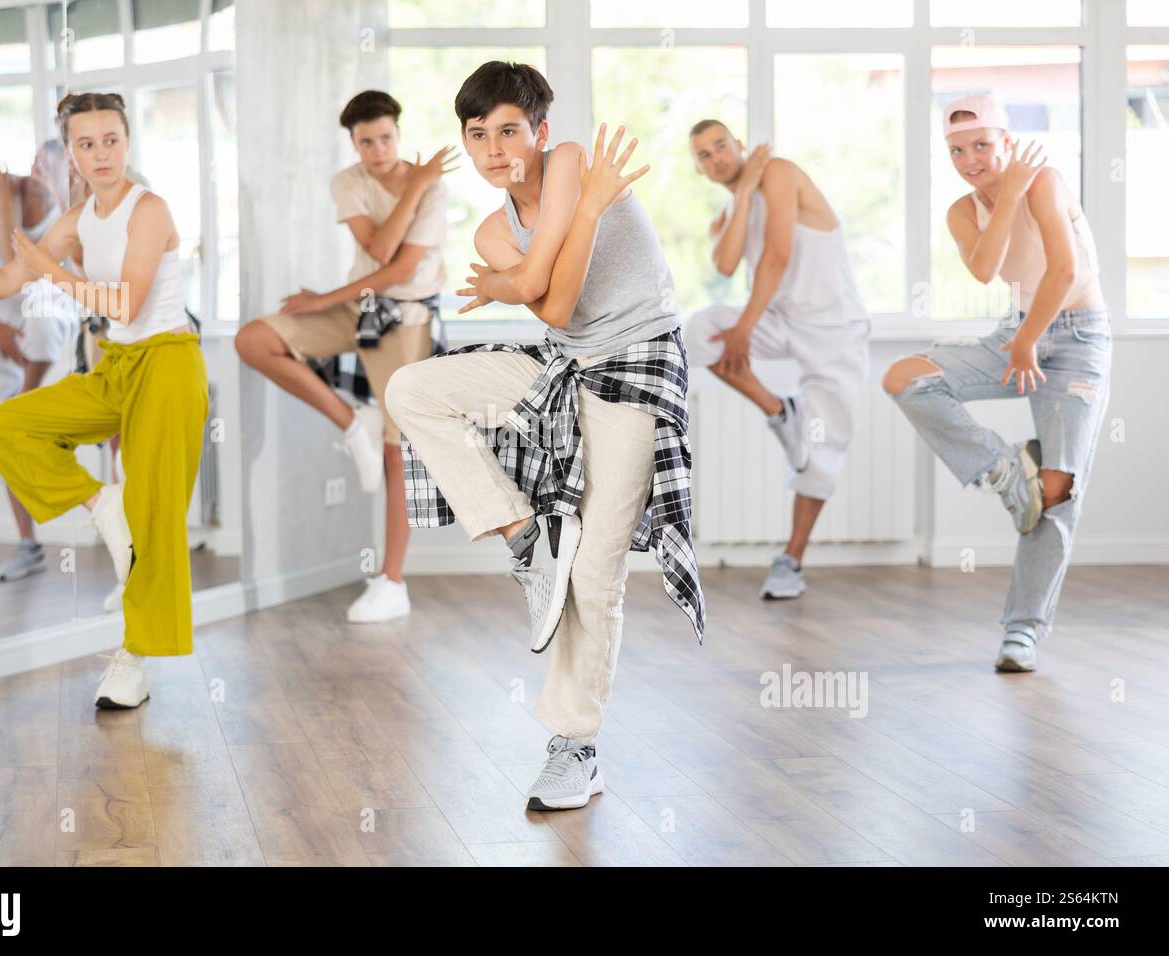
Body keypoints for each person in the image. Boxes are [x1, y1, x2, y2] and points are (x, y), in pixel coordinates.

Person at [385, 62, 705, 811]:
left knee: (597, 571)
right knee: (411, 390)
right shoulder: (496, 229)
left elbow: (551, 296)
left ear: (539, 131)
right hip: (570, 365)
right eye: (477, 135)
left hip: (639, 364)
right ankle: (528, 538)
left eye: (508, 130)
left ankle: (575, 747)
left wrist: (540, 256)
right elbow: (547, 301)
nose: (495, 149)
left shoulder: (568, 164)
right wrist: (514, 279)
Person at [0, 91, 209, 707]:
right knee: (6, 424)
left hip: (166, 365)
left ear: (127, 141)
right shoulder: (78, 220)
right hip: (119, 364)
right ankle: (102, 503)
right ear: (72, 155)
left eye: (111, 139)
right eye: (86, 144)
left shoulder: (149, 209)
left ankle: (134, 661)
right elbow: (5, 279)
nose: (101, 153)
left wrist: (52, 271)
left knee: (157, 523)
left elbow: (125, 305)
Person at [883, 95, 1111, 673]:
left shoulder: (1046, 182)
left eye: (983, 145)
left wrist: (1029, 340)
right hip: (1018, 335)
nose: (970, 159)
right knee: (906, 377)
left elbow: (1066, 270)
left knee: (1058, 489)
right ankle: (1006, 470)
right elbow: (985, 269)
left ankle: (1022, 633)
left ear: (1007, 141)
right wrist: (1004, 196)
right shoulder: (965, 209)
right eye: (957, 150)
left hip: (1078, 341)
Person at [235, 90, 453, 624]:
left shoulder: (434, 188)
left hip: (407, 322)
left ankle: (392, 582)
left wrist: (421, 182)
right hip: (357, 307)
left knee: (397, 456)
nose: (377, 150)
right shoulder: (348, 182)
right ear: (352, 143)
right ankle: (349, 419)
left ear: (398, 134)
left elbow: (397, 267)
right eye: (365, 141)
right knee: (254, 340)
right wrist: (328, 301)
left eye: (385, 138)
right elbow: (378, 248)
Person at [682, 120, 870, 599]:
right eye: (704, 154)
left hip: (832, 328)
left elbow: (778, 256)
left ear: (740, 145)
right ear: (699, 169)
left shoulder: (781, 172)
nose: (716, 157)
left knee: (818, 450)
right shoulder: (727, 211)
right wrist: (741, 195)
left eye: (721, 145)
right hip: (781, 319)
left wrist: (745, 326)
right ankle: (777, 410)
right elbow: (725, 265)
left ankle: (790, 561)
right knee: (699, 331)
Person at [0, 140, 79, 582]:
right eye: (35, 163)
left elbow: (36, 268)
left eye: (49, 169)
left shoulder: (70, 207)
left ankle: (26, 402)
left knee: (46, 323)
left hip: (38, 298)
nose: (36, 173)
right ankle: (28, 545)